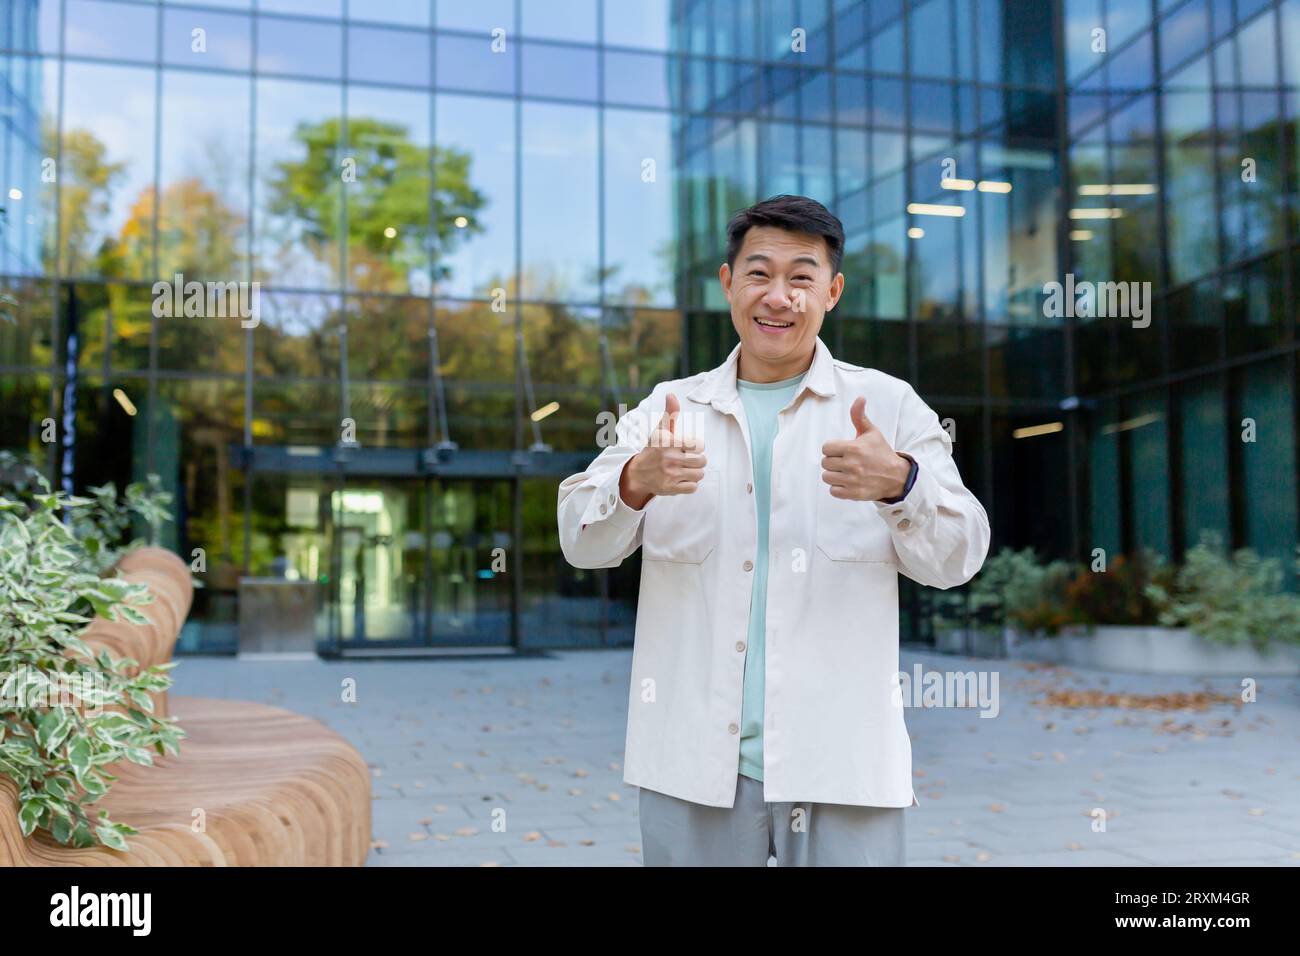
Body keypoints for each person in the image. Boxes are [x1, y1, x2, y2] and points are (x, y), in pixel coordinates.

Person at [557, 194, 991, 866]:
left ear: (833, 291)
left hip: (842, 761)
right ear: (729, 283)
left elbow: (960, 556)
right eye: (759, 273)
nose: (778, 296)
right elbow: (580, 540)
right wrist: (635, 479)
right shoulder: (671, 409)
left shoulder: (885, 406)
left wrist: (902, 484)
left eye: (802, 277)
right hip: (692, 762)